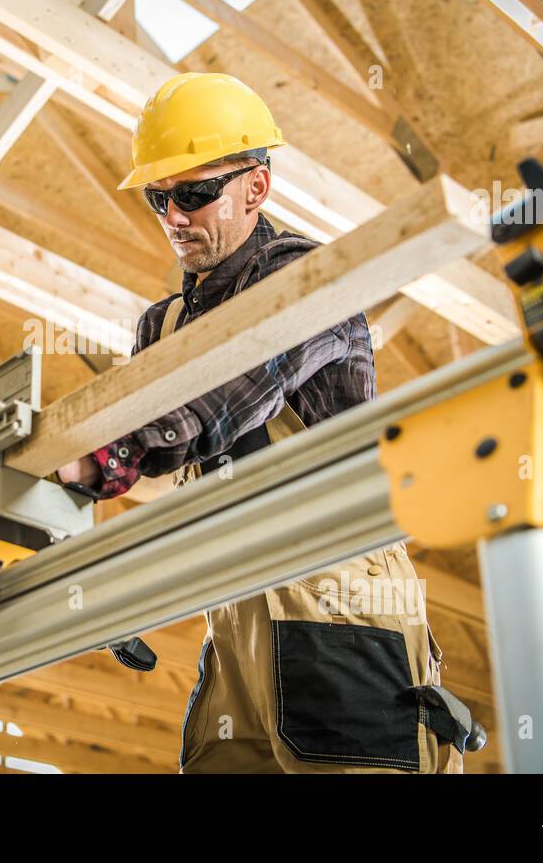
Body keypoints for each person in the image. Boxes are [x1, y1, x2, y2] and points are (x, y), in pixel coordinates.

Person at [57, 72, 469, 773]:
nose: (173, 217)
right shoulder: (162, 326)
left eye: (194, 193)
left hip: (341, 603)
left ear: (257, 187)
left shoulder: (308, 280)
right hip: (237, 615)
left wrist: (112, 454)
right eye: (160, 197)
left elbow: (232, 395)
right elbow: (192, 487)